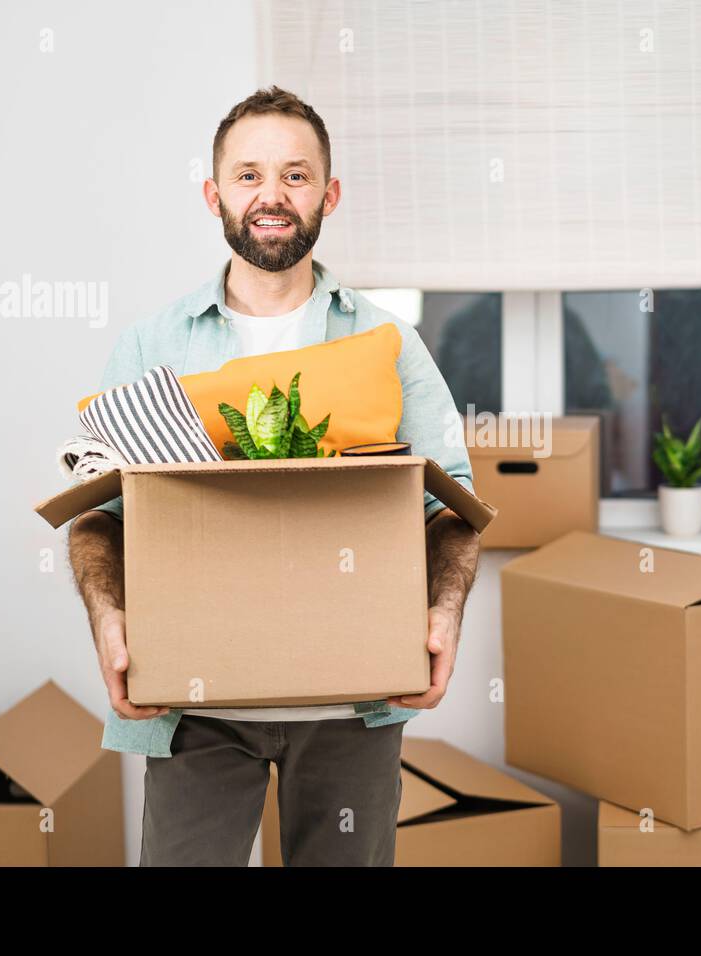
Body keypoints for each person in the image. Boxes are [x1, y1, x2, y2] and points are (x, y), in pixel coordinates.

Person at [67, 87, 481, 866]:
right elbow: (96, 510)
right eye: (249, 174)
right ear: (213, 193)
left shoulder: (388, 342)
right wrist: (108, 616)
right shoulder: (151, 344)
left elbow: (450, 504)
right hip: (192, 703)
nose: (272, 196)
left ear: (329, 195)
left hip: (354, 701)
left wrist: (444, 613)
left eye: (295, 176)